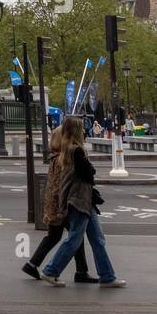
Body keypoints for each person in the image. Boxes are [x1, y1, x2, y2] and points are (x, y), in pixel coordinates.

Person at [41, 117, 125, 288]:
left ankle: (107, 276)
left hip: (83, 200)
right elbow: (88, 172)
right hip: (79, 200)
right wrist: (90, 169)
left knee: (97, 239)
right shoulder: (76, 150)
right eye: (82, 128)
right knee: (74, 239)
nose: (85, 131)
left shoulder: (66, 149)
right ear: (77, 131)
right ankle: (51, 270)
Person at [22, 128, 96, 282]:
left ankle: (32, 264)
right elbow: (61, 184)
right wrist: (62, 206)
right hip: (60, 204)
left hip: (54, 202)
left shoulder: (54, 157)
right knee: (75, 235)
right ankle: (79, 272)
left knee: (57, 236)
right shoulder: (61, 159)